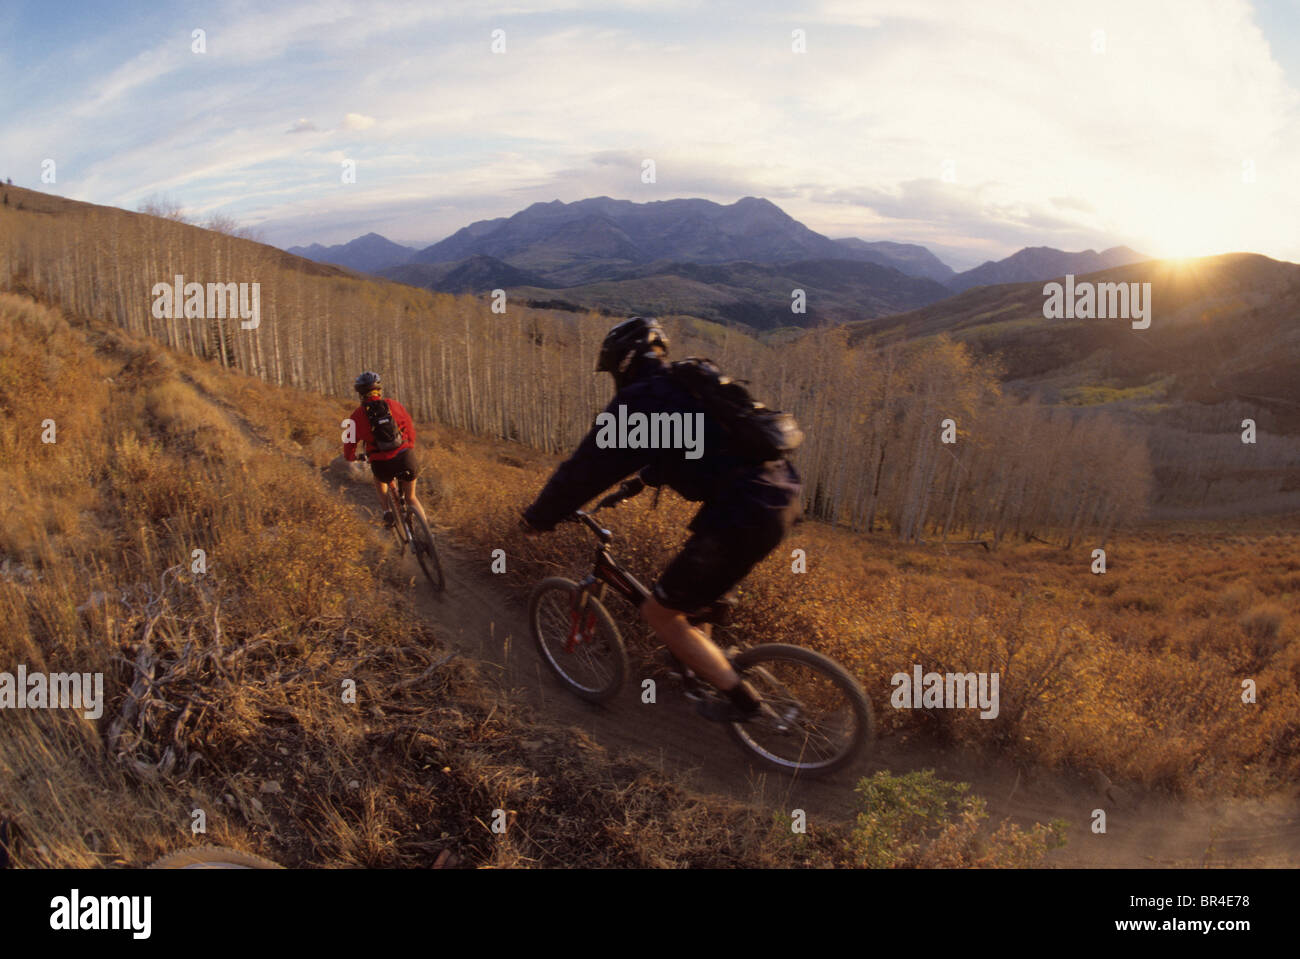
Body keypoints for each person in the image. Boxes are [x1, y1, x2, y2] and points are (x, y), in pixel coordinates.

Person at [520, 317, 802, 722]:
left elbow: (585, 469)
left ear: (623, 361)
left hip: (743, 511)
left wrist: (539, 517)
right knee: (691, 605)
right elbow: (687, 443)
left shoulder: (643, 398)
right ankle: (706, 666)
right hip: (778, 494)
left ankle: (747, 706)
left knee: (658, 613)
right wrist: (634, 486)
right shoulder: (686, 385)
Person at [343, 371, 426, 528]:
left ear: (360, 394)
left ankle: (386, 511)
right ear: (379, 390)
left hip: (382, 465)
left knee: (379, 478)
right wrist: (409, 447)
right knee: (411, 497)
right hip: (405, 457)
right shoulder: (394, 405)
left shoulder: (355, 416)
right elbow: (410, 429)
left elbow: (348, 448)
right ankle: (429, 534)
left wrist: (353, 457)